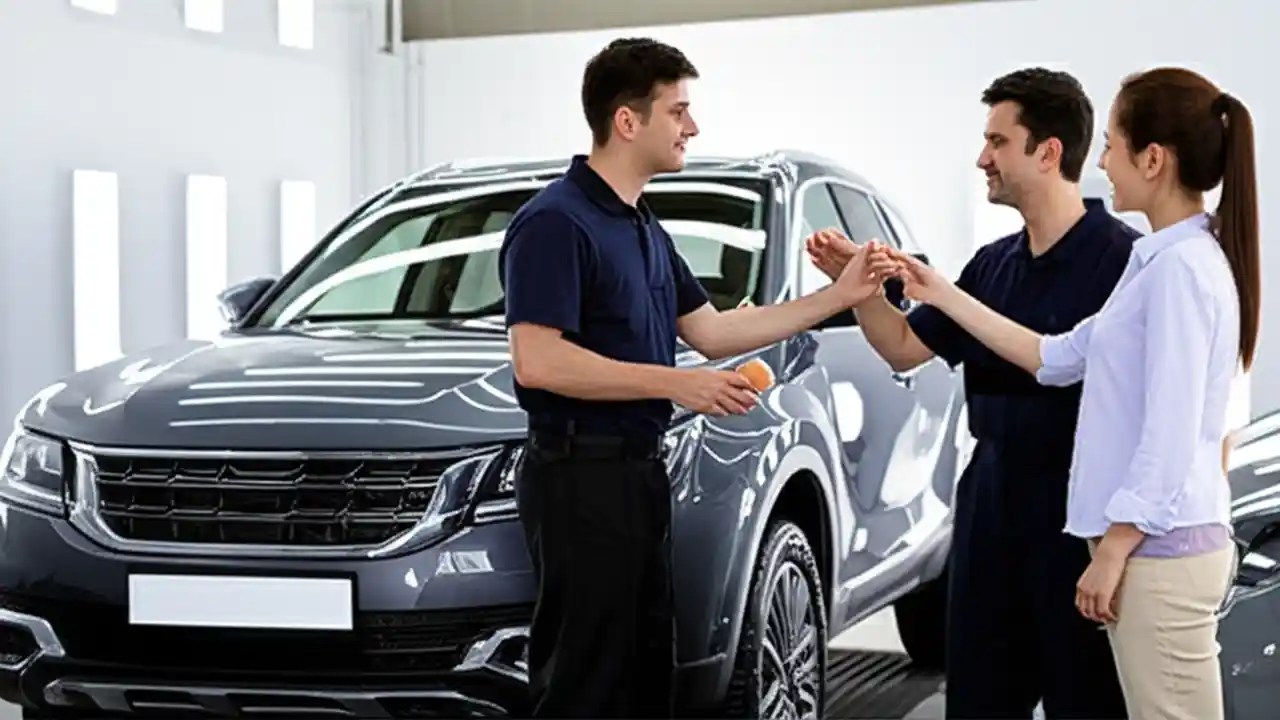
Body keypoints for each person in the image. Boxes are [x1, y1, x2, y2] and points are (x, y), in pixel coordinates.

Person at [497, 37, 894, 718]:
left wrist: (841, 296)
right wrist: (678, 385)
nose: (693, 127)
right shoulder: (556, 224)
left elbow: (710, 331)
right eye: (678, 111)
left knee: (644, 672)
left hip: (638, 477)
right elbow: (539, 360)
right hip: (579, 481)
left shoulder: (643, 228)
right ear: (628, 121)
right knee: (584, 682)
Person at [882, 66, 1258, 720]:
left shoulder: (1178, 271)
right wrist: (938, 290)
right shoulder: (1159, 263)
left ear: (1154, 158)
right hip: (1133, 547)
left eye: (1112, 145)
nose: (1102, 162)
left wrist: (1111, 552)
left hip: (1159, 556)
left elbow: (1169, 435)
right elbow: (1053, 357)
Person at [807, 68, 1133, 719]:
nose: (982, 158)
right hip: (989, 502)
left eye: (998, 142)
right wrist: (861, 289)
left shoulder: (1124, 259)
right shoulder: (991, 263)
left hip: (1078, 506)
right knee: (981, 697)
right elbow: (903, 346)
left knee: (1086, 697)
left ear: (1048, 151)